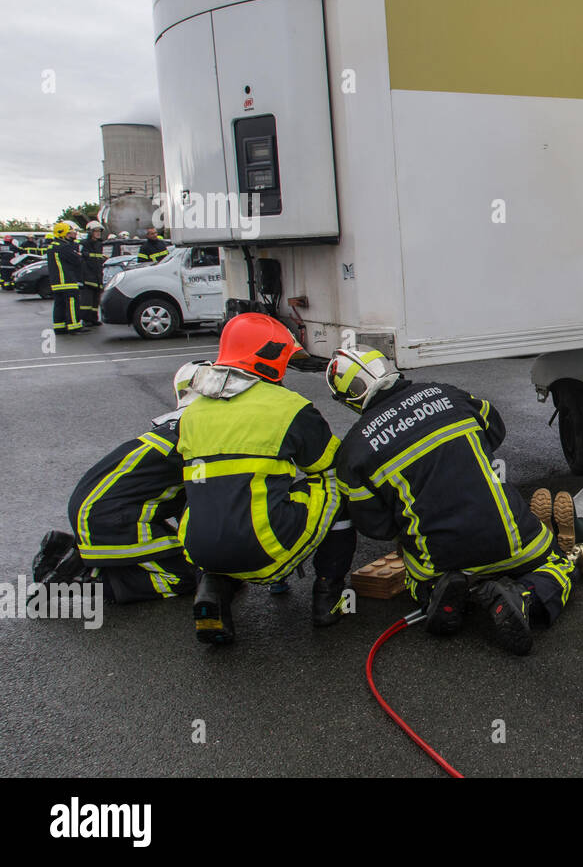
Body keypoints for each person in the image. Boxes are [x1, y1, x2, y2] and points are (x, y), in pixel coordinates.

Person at [326, 345, 575, 655]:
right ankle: (524, 597)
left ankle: (439, 595)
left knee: (415, 577)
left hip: (440, 560)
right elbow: (495, 430)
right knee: (559, 566)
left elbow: (376, 526)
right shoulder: (447, 394)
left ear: (348, 399)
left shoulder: (353, 452)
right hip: (511, 540)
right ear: (387, 368)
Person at [178, 313, 356, 644]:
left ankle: (213, 591)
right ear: (271, 356)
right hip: (263, 546)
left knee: (215, 493)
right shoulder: (289, 407)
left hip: (197, 547)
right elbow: (330, 463)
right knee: (337, 486)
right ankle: (329, 596)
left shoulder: (193, 410)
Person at [33, 363, 204, 602]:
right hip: (110, 517)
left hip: (101, 509)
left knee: (183, 555)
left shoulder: (173, 424)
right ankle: (78, 579)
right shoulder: (198, 433)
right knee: (180, 578)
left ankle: (76, 556)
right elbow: (200, 503)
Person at [47, 221, 85, 335]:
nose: (70, 236)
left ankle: (59, 327)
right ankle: (74, 326)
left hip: (56, 282)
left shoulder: (51, 246)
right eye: (68, 234)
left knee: (59, 304)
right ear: (62, 234)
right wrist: (78, 256)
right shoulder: (64, 247)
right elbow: (76, 260)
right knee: (72, 303)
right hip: (67, 280)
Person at [78, 221, 106, 325]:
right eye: (96, 231)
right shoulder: (84, 244)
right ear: (90, 232)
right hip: (87, 277)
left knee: (95, 301)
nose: (98, 233)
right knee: (87, 301)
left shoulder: (99, 244)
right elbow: (80, 260)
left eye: (99, 231)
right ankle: (86, 319)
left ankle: (93, 319)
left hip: (97, 276)